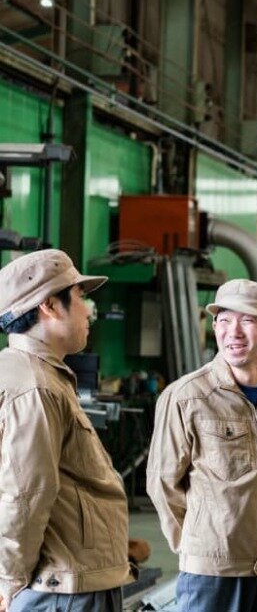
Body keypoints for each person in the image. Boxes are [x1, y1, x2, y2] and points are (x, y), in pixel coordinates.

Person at [147, 279, 257, 612]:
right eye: (224, 320)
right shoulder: (187, 397)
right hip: (214, 572)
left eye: (247, 320)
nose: (232, 331)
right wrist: (199, 546)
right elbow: (163, 484)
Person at [0, 249, 131, 612]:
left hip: (66, 582)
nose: (88, 311)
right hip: (62, 590)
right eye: (79, 297)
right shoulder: (36, 386)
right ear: (50, 306)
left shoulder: (36, 374)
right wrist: (9, 580)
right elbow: (25, 494)